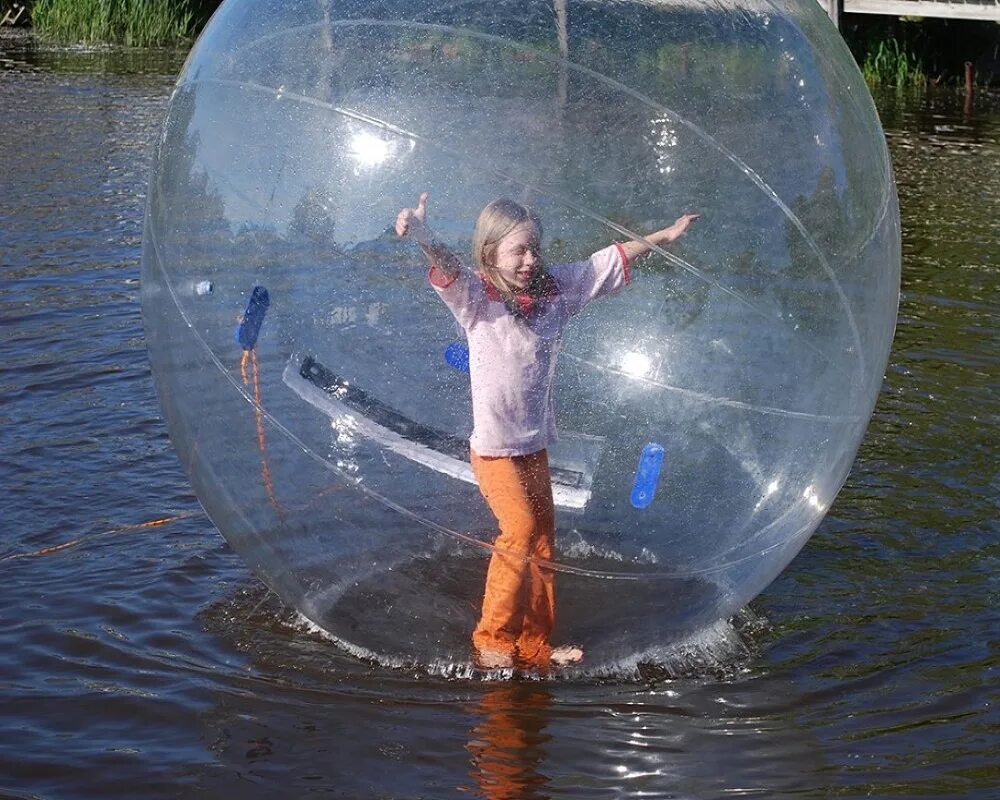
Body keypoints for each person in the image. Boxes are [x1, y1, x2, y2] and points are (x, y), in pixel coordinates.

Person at [396, 192, 698, 671]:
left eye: (534, 248)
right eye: (518, 251)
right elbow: (446, 265)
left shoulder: (555, 290)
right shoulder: (476, 298)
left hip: (533, 447)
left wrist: (663, 235)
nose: (529, 259)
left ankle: (536, 645)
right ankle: (492, 638)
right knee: (517, 530)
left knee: (542, 543)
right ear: (490, 253)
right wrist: (423, 233)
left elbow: (607, 260)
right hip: (494, 451)